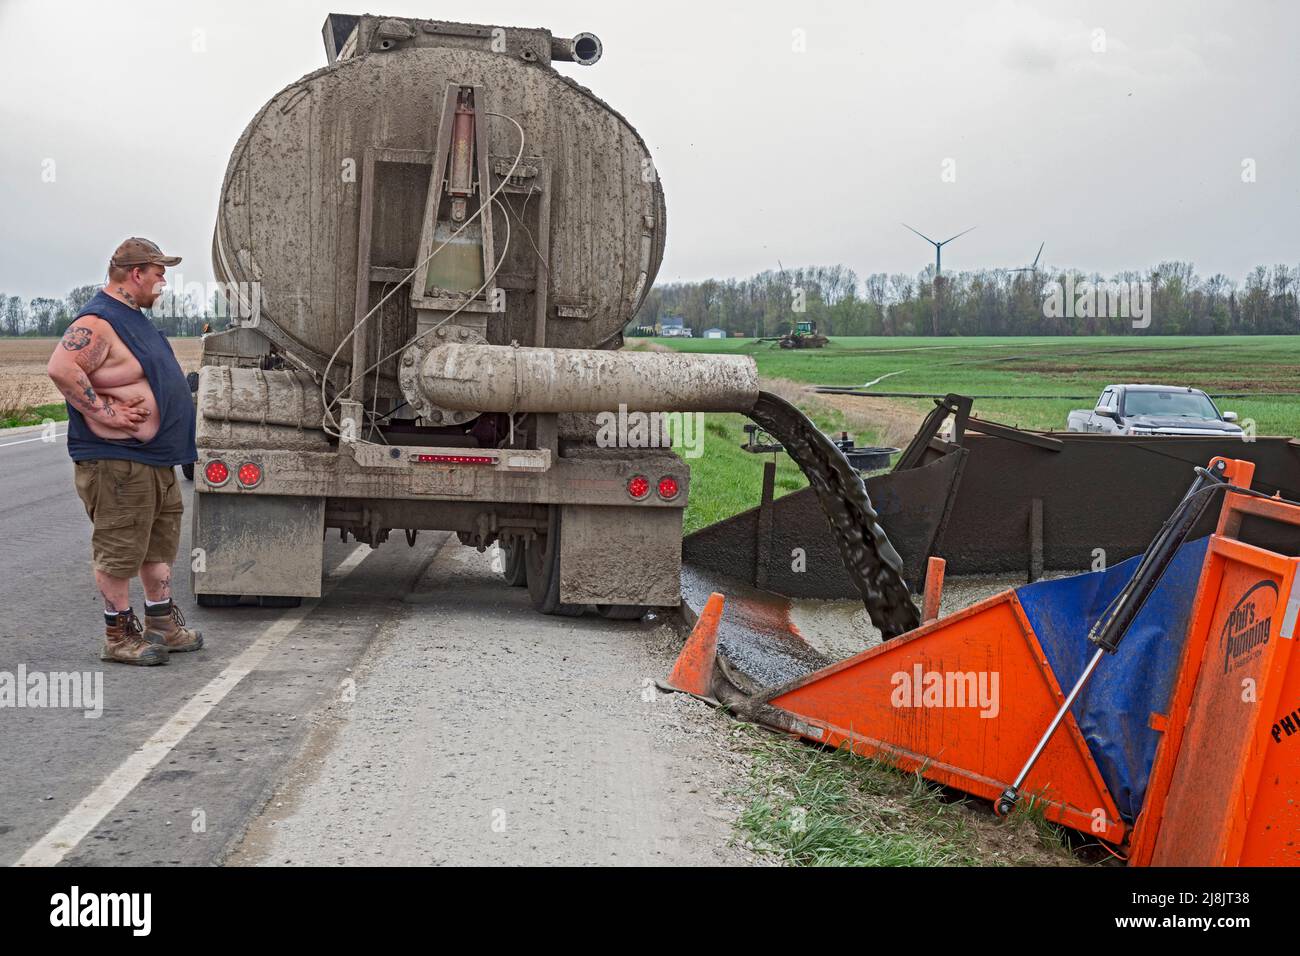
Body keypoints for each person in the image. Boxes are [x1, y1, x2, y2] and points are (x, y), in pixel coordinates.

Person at [46, 238, 203, 665]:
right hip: (117, 462)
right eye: (159, 272)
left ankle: (161, 625)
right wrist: (107, 413)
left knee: (157, 548)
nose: (164, 280)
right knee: (119, 549)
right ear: (137, 274)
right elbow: (62, 367)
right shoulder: (99, 320)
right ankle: (117, 635)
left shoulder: (133, 318)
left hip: (153, 460)